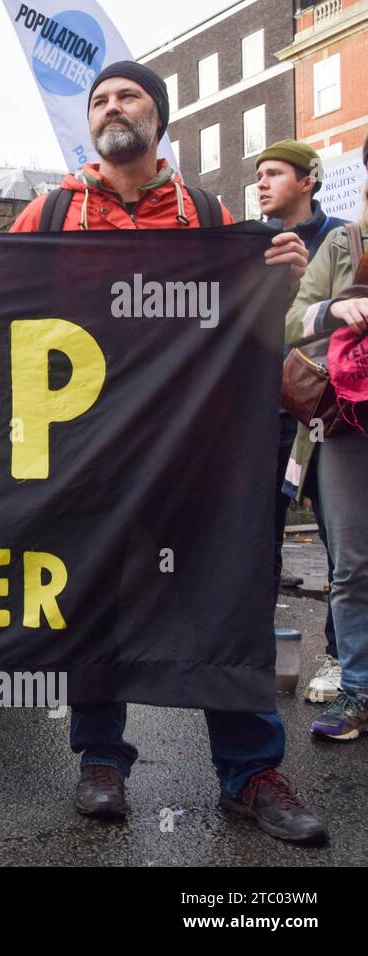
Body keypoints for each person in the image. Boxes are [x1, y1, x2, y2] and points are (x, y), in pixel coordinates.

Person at [0, 61, 327, 845]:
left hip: (195, 456)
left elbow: (241, 332)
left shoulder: (208, 212)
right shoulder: (54, 209)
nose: (112, 106)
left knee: (226, 599)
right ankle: (101, 758)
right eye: (100, 99)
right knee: (95, 599)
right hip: (89, 453)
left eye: (128, 95)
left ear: (158, 118)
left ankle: (250, 772)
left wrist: (281, 279)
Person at [257, 139, 347, 704]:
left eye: (274, 174)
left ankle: (340, 660)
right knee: (258, 534)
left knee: (342, 539)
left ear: (308, 180)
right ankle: (252, 651)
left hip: (330, 414)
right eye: (258, 174)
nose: (261, 183)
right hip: (265, 413)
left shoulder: (342, 240)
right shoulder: (250, 243)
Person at [287, 144, 368, 744]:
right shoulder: (344, 246)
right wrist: (336, 308)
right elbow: (288, 323)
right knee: (352, 564)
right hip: (344, 427)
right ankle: (358, 692)